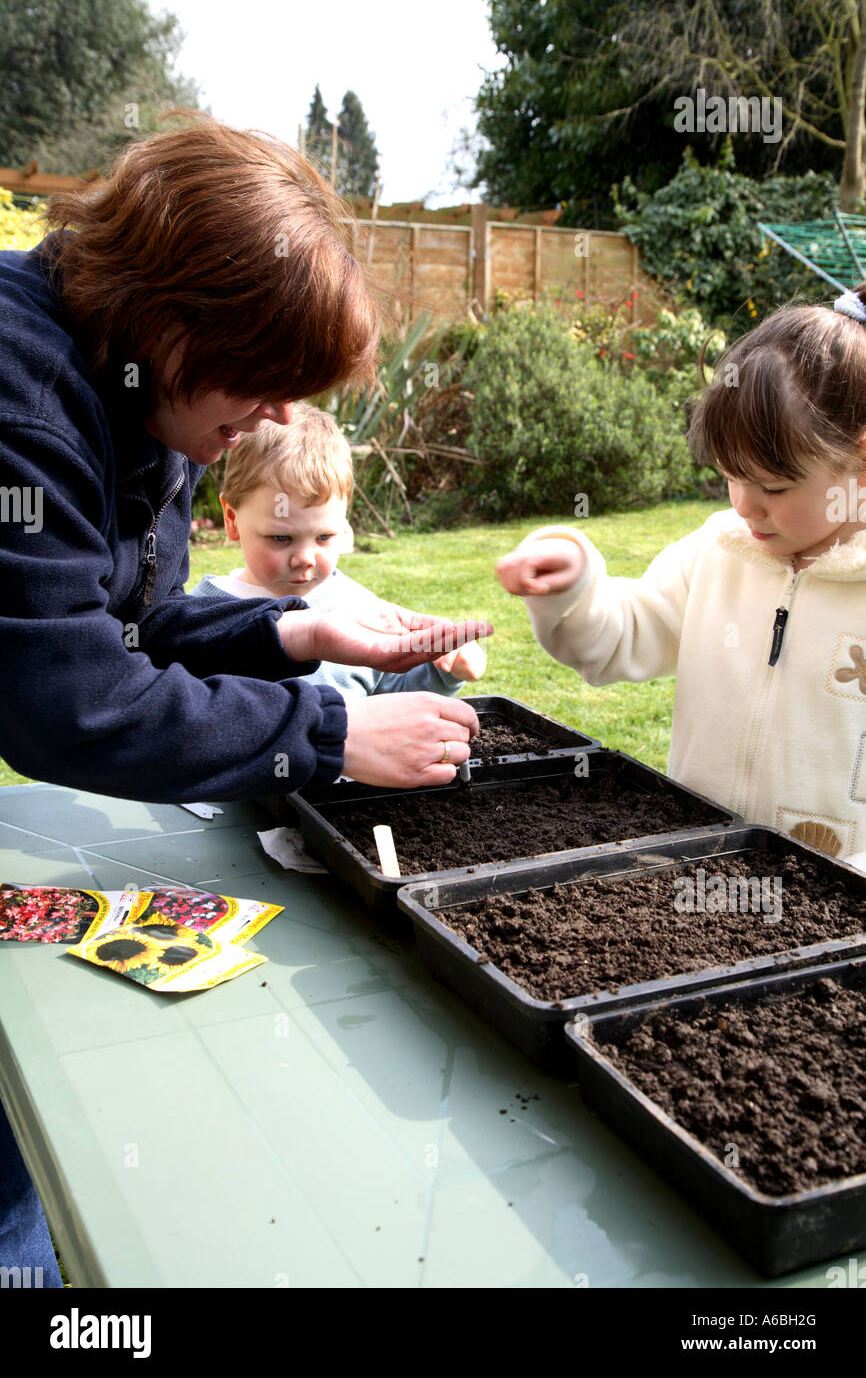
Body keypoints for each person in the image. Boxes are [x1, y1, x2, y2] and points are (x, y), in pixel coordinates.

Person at [0, 114, 489, 1285]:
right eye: (264, 380)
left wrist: (285, 630)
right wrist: (329, 730)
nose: (277, 415)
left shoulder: (140, 390)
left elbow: (120, 621)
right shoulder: (21, 409)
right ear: (173, 324)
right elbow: (65, 699)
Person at [497, 293, 866, 872]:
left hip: (833, 909)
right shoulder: (717, 552)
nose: (745, 506)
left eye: (772, 487)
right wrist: (573, 585)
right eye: (728, 476)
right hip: (697, 869)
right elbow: (622, 636)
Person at [189, 402, 488, 696]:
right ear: (232, 519)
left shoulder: (359, 608)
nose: (305, 559)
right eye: (281, 538)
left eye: (324, 536)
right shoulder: (200, 615)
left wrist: (444, 668)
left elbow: (393, 692)